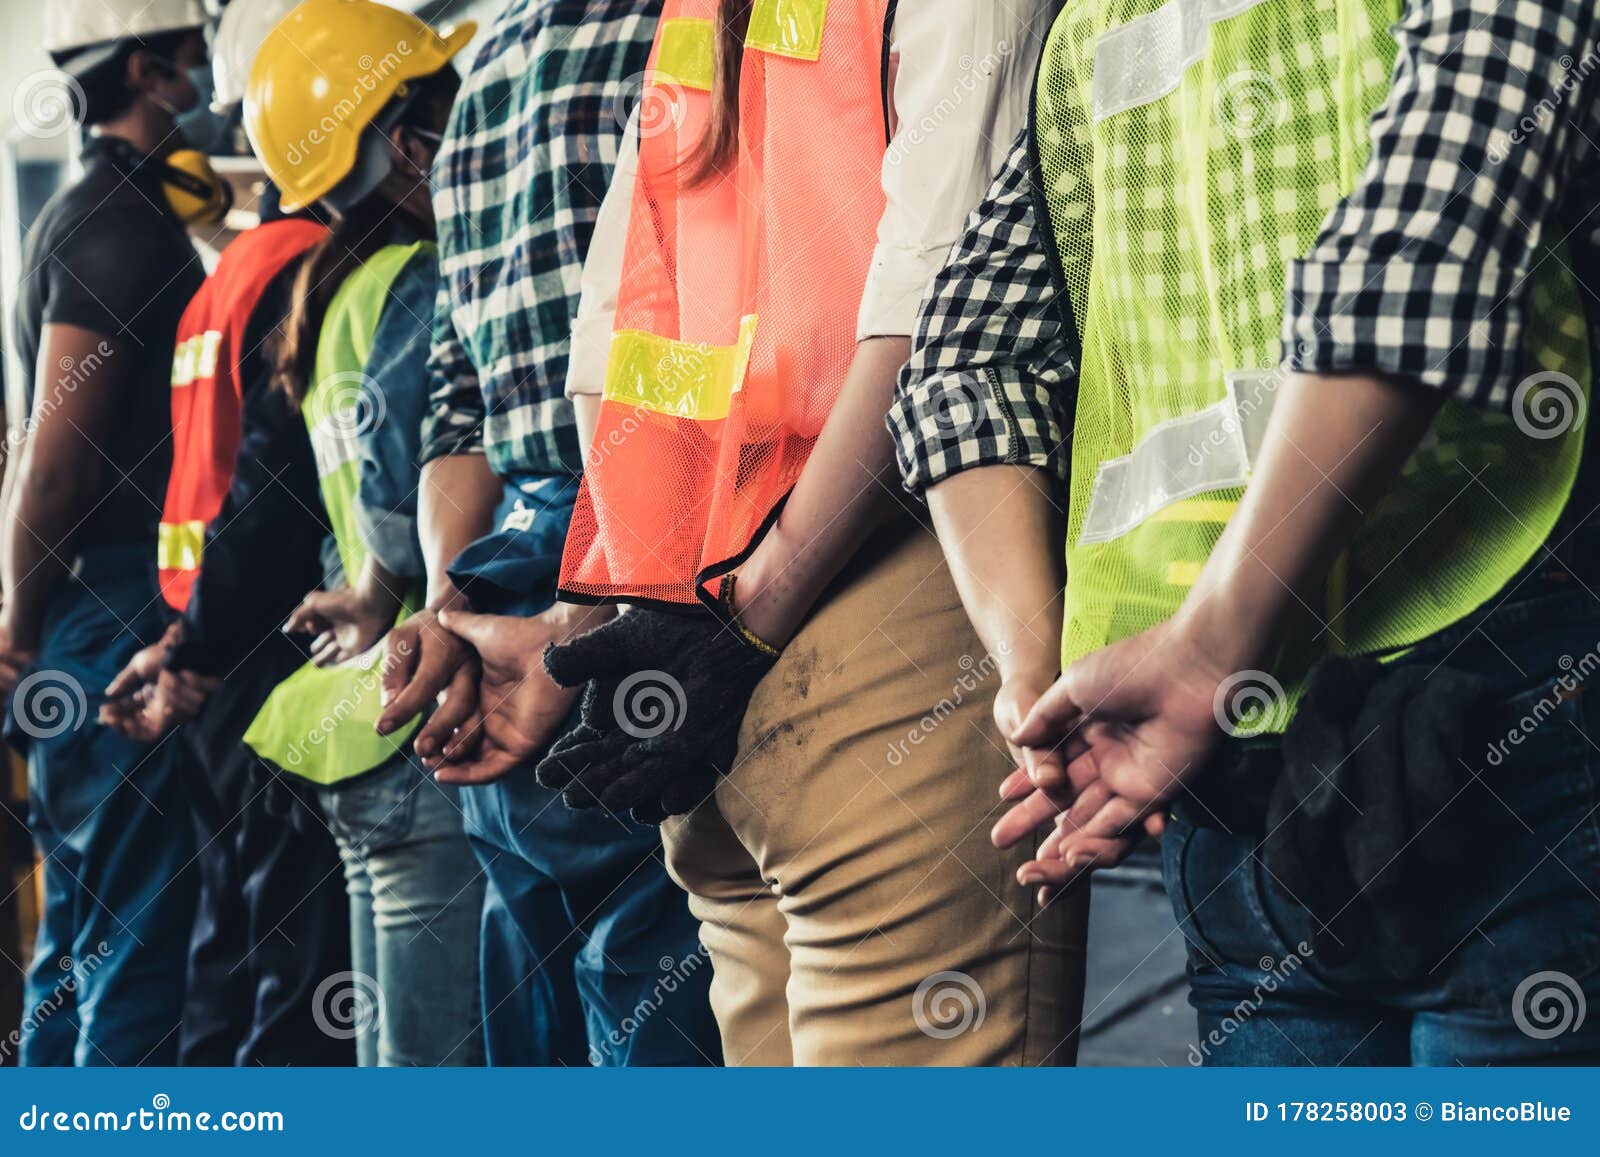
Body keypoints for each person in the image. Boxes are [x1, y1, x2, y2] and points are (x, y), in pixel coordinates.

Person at [899, 0, 1600, 1065]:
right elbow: (1419, 244)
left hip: (1242, 747)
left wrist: (1040, 677)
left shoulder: (1104, 19)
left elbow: (960, 367)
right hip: (1474, 704)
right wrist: (1120, 674)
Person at [440, 0, 1085, 1066]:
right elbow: (937, 312)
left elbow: (620, 338)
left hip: (713, 632)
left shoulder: (701, 21)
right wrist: (717, 625)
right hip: (885, 610)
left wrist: (604, 616)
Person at [347, 0, 719, 1067]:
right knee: (653, 955)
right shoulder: (675, 27)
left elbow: (456, 403)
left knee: (539, 957)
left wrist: (446, 611)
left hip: (502, 549)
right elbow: (700, 341)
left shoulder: (495, 64)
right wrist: (597, 607)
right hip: (645, 517)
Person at [228, 0, 485, 1067]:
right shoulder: (419, 278)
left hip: (345, 712)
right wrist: (399, 578)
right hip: (420, 699)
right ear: (403, 141)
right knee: (445, 1074)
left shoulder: (329, 297)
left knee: (396, 1062)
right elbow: (396, 502)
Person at [98, 0, 352, 1067]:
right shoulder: (311, 264)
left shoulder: (229, 272)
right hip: (261, 649)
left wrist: (184, 639)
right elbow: (272, 484)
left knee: (231, 944)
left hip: (204, 638)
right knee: (293, 975)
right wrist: (204, 647)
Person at [1, 0, 224, 1067]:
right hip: (114, 600)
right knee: (134, 931)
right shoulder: (116, 230)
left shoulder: (86, 216)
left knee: (83, 930)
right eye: (193, 62)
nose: (206, 82)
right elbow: (54, 460)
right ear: (147, 72)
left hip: (88, 602)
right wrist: (20, 619)